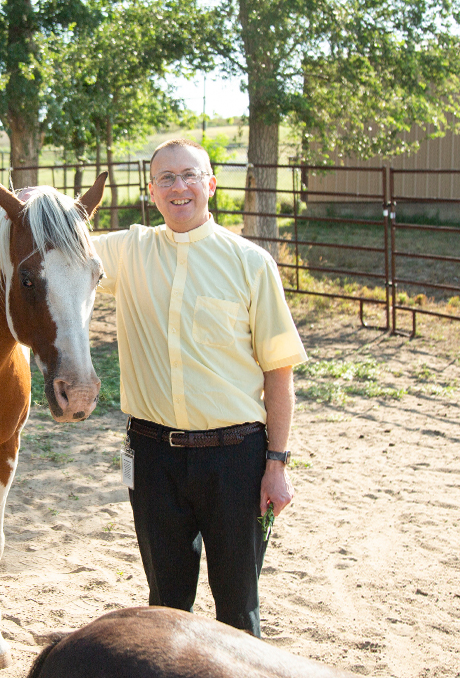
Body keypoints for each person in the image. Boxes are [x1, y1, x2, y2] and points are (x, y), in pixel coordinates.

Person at [92, 137, 307, 637]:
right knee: (165, 609)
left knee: (238, 609)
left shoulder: (250, 263)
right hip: (152, 456)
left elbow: (279, 372)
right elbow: (53, 244)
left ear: (210, 184)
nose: (178, 186)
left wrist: (277, 465)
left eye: (189, 175)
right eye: (165, 178)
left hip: (236, 459)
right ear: (151, 190)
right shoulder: (127, 252)